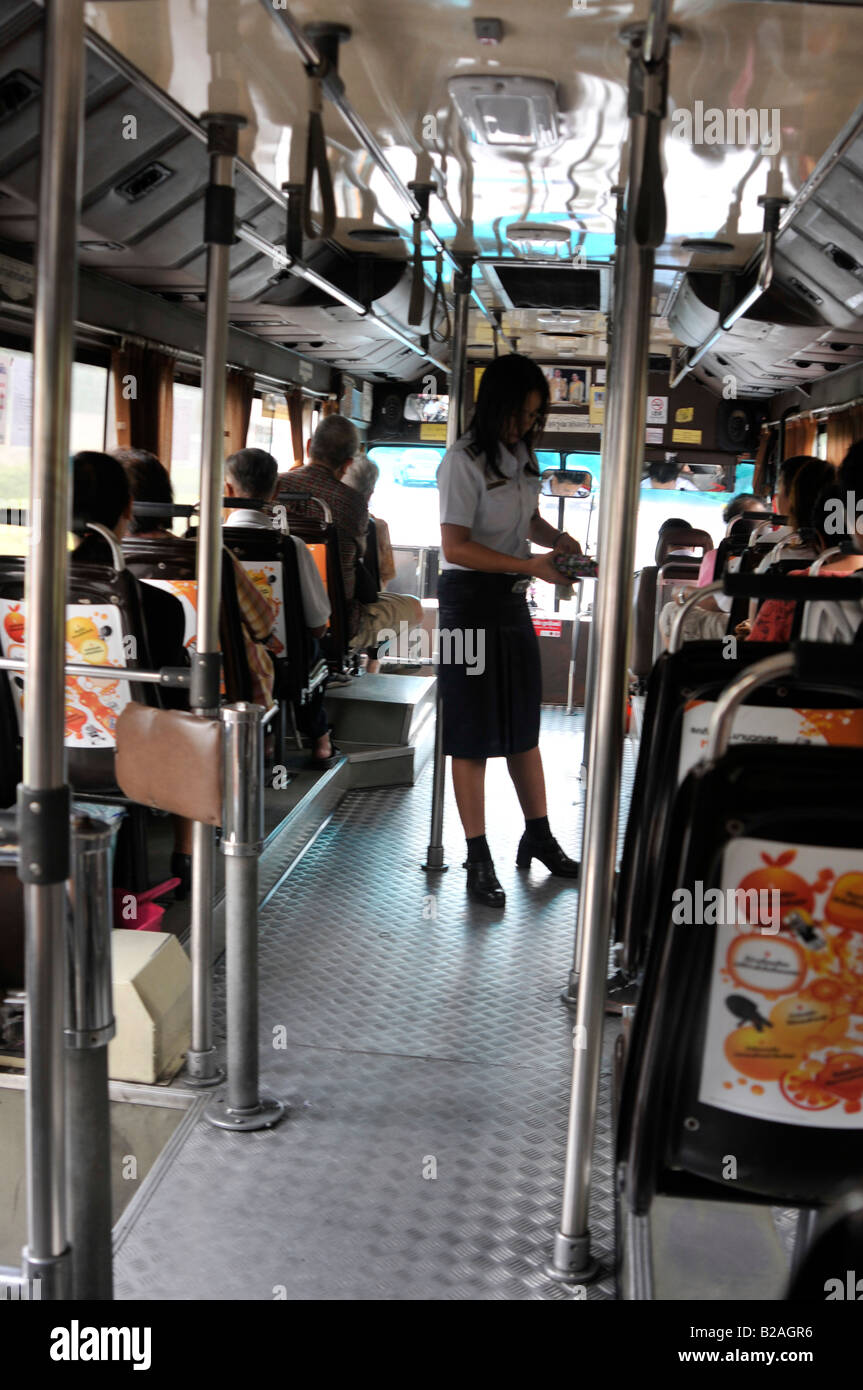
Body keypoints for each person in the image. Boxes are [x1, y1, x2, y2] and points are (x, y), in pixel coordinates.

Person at [436, 353, 580, 909]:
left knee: (524, 726)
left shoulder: (522, 458)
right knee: (470, 736)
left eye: (534, 416)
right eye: (519, 414)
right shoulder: (461, 461)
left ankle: (537, 835)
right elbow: (456, 546)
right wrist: (528, 566)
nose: (525, 426)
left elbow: (527, 521)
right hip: (466, 604)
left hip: (510, 601)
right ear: (494, 405)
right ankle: (477, 856)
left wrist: (554, 541)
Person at [72, 451, 192, 891]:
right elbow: (170, 704)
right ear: (128, 509)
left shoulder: (18, 589)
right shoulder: (159, 606)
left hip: (30, 747)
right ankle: (189, 856)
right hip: (127, 755)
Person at [113, 447, 278, 713]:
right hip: (219, 694)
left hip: (121, 696)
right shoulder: (208, 556)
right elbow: (262, 624)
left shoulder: (95, 571)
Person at [223, 447, 337, 769]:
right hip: (284, 665)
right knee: (311, 649)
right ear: (276, 491)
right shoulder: (291, 546)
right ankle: (319, 740)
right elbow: (317, 623)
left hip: (219, 662)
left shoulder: (203, 545)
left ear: (228, 490)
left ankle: (265, 739)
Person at [278, 415, 422, 656]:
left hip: (277, 608)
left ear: (308, 445)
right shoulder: (352, 503)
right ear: (347, 464)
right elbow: (355, 569)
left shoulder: (273, 486)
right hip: (338, 622)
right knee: (413, 607)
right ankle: (366, 660)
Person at [342, 453, 397, 672]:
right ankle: (374, 667)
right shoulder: (378, 527)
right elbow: (385, 576)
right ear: (370, 491)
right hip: (361, 612)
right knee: (392, 610)